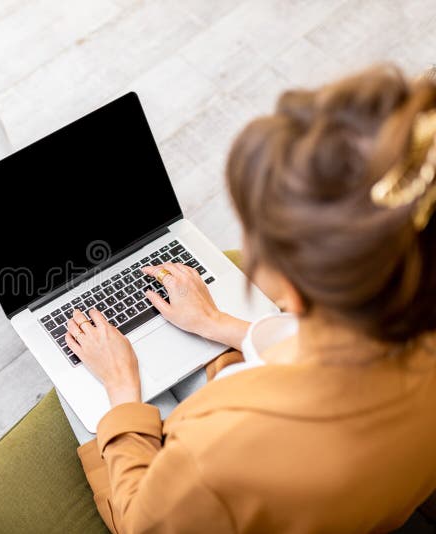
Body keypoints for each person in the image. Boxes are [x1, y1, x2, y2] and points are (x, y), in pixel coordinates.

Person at [63, 64, 436, 533]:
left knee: (77, 383)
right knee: (191, 354)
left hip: (206, 494)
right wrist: (217, 323)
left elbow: (144, 522)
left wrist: (120, 388)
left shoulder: (213, 453)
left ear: (295, 289)